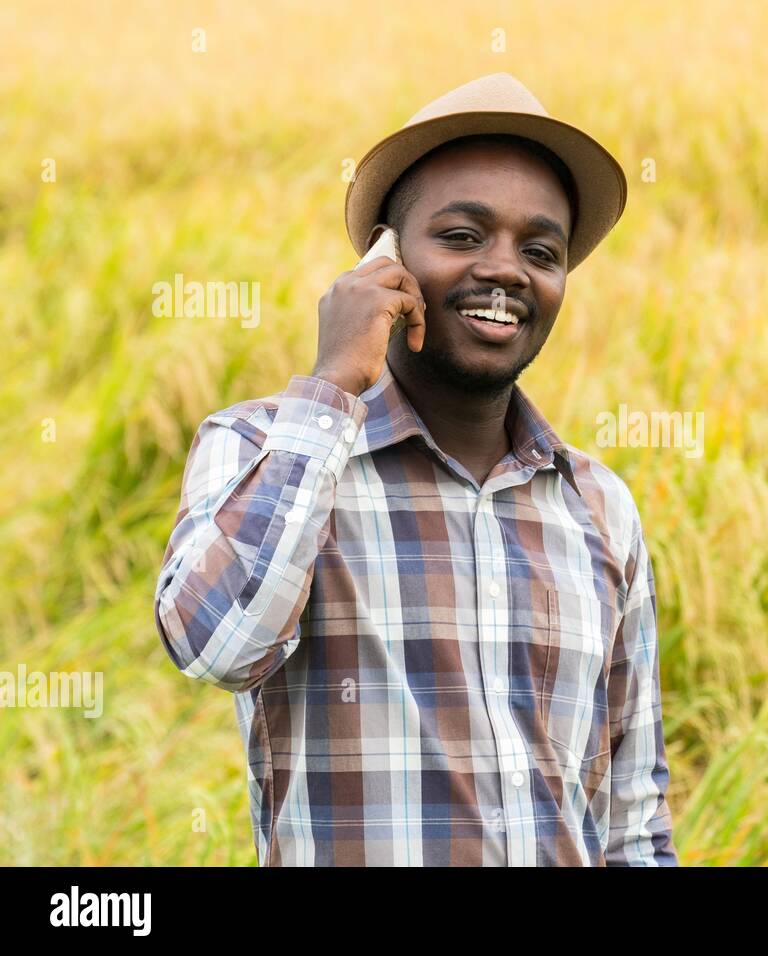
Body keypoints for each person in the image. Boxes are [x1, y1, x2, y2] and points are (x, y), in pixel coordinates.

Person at [153, 73, 678, 866]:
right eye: (463, 236)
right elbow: (217, 644)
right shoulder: (263, 449)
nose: (506, 270)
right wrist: (334, 382)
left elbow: (633, 816)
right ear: (385, 261)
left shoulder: (598, 505)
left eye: (541, 251)